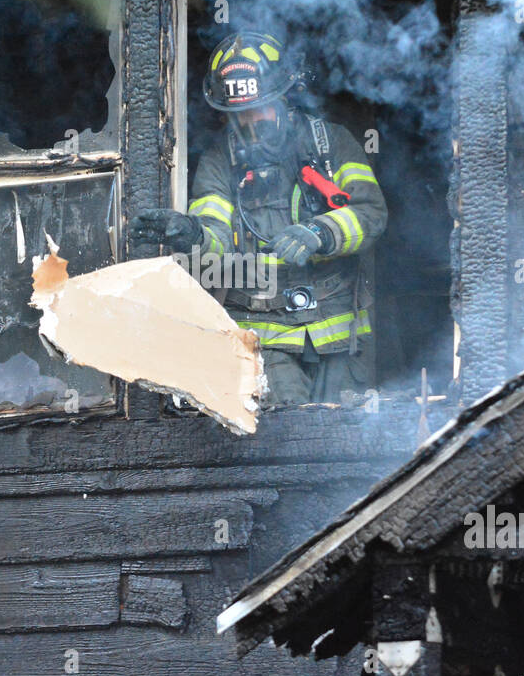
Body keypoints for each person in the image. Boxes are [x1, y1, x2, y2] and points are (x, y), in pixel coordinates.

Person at [130, 31, 387, 406]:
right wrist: (193, 235)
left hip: (342, 335)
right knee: (289, 438)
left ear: (284, 97)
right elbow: (215, 242)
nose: (251, 121)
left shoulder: (331, 144)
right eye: (239, 114)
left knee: (349, 440)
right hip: (266, 340)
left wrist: (322, 232)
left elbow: (371, 213)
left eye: (261, 107)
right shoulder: (219, 163)